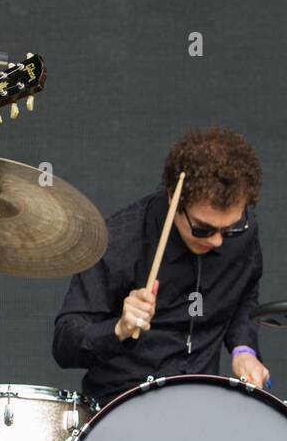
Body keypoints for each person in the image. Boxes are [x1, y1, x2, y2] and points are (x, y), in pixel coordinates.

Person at [52, 126, 270, 405]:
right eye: (203, 229)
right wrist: (118, 329)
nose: (217, 241)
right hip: (124, 404)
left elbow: (244, 294)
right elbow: (64, 343)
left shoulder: (243, 231)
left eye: (229, 229)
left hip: (202, 403)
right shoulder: (120, 241)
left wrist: (244, 349)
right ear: (173, 199)